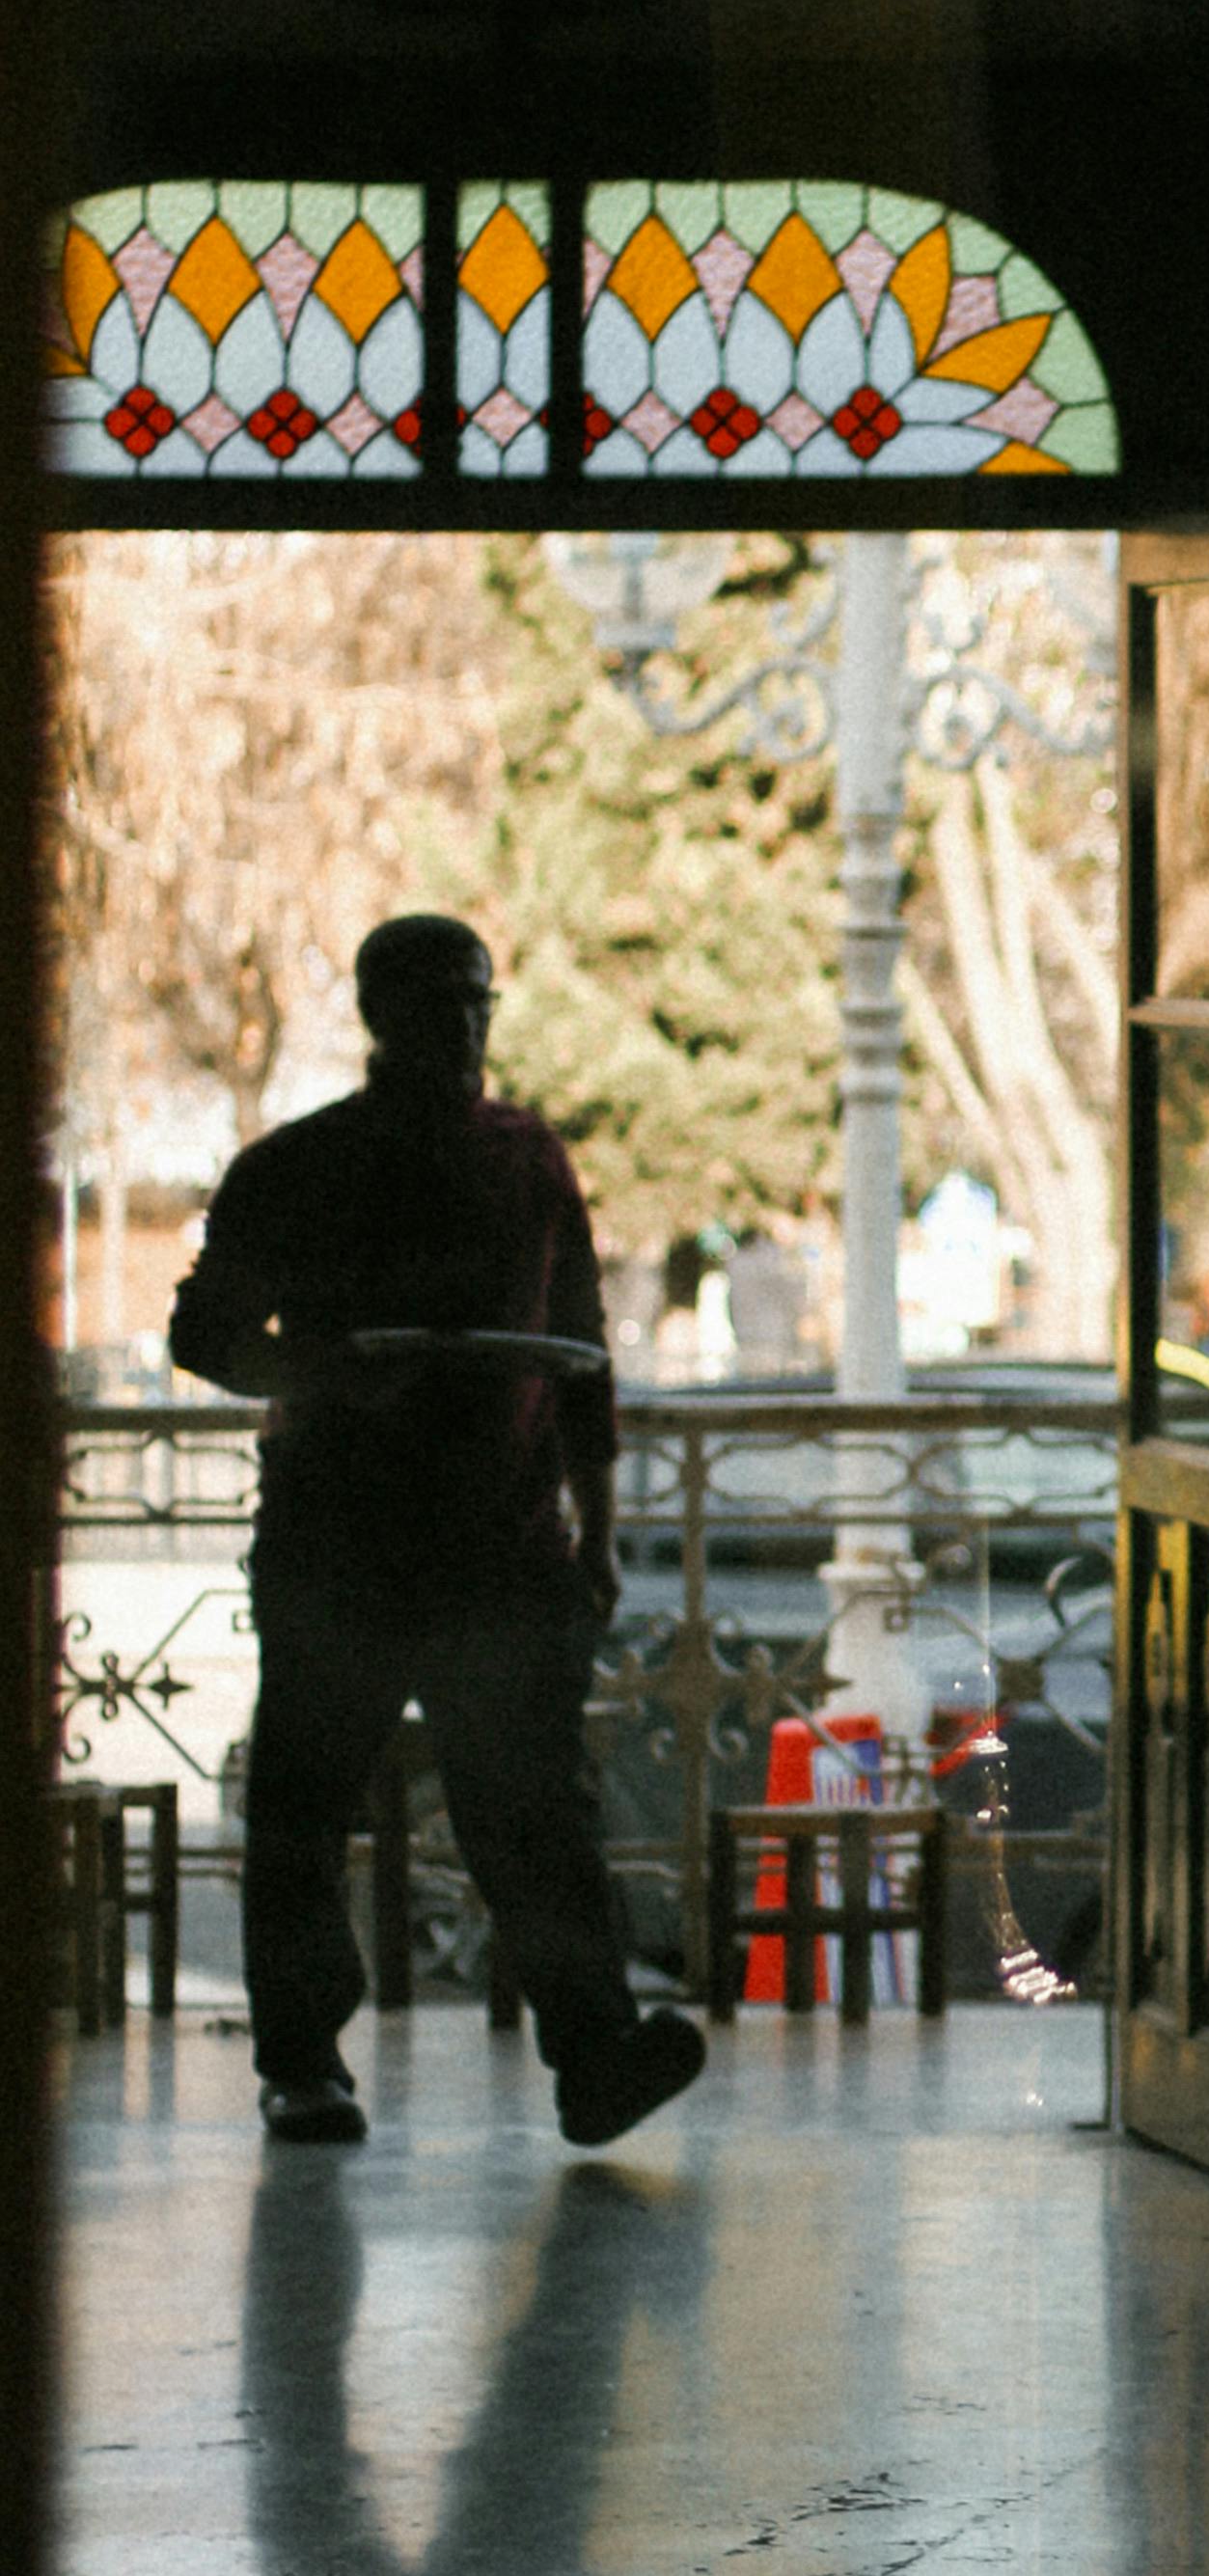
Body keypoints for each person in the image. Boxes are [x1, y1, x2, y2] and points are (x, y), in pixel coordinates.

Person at [167, 914, 705, 2155]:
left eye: (477, 1002)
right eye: (438, 1004)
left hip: (501, 1552)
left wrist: (601, 1528)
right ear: (379, 1016)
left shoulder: (531, 1161)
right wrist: (328, 1374)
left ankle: (598, 2057)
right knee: (305, 1811)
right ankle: (303, 2067)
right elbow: (205, 1333)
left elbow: (582, 1359)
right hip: (337, 1547)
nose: (464, 1027)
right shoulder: (295, 1167)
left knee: (531, 1809)